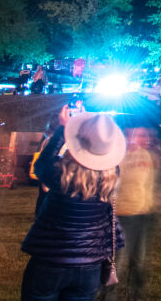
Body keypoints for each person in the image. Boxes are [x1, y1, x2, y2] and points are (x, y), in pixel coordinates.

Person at [19, 110, 126, 301]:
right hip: (90, 266)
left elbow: (42, 164)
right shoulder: (109, 180)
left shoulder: (60, 177)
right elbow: (108, 158)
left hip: (50, 261)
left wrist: (63, 129)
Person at [113, 126, 161, 297]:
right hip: (124, 216)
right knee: (118, 264)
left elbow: (154, 184)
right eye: (138, 135)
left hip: (144, 217)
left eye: (144, 135)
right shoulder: (118, 157)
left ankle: (136, 295)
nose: (144, 139)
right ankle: (108, 295)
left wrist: (154, 206)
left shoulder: (149, 157)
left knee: (140, 263)